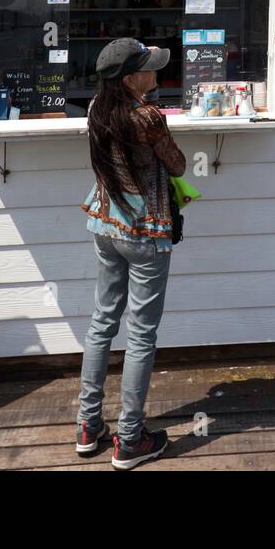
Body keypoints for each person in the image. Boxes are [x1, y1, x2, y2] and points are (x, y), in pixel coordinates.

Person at [76, 37, 186, 469]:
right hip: (144, 231)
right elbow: (176, 165)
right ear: (130, 78)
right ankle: (129, 438)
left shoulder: (96, 110)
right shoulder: (148, 116)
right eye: (149, 68)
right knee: (140, 334)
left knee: (102, 322)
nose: (156, 73)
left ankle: (88, 426)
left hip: (105, 224)